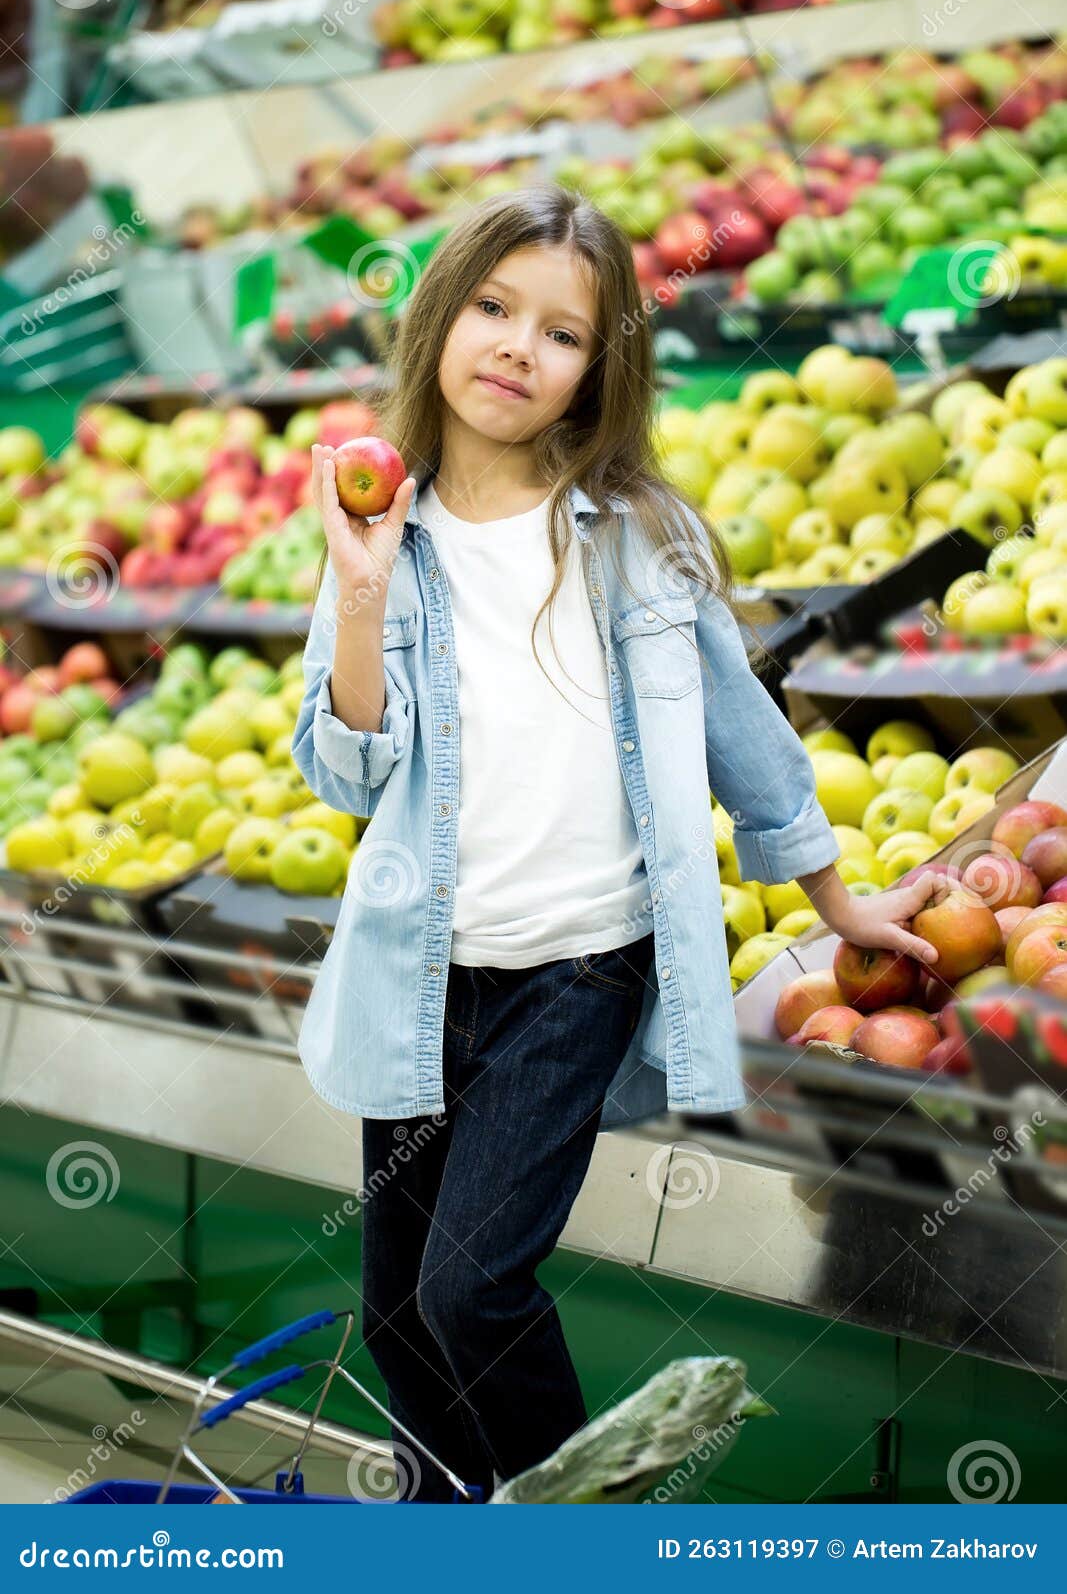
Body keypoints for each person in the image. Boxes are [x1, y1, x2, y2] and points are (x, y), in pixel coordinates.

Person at [291, 184, 939, 1502]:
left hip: (576, 978)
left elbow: (745, 737)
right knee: (400, 1313)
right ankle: (453, 1517)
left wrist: (837, 899)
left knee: (471, 1287)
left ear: (601, 369)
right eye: (491, 308)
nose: (518, 346)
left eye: (562, 332)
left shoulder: (637, 538)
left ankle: (583, 1524)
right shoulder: (383, 543)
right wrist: (360, 599)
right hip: (423, 980)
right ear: (439, 320)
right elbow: (347, 768)